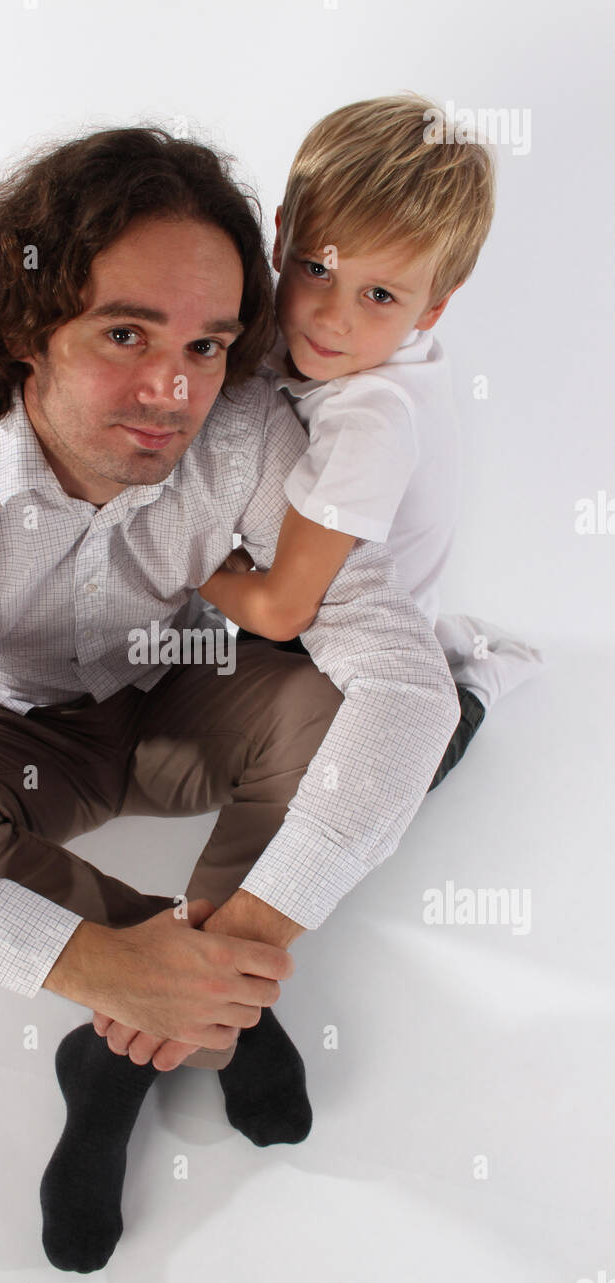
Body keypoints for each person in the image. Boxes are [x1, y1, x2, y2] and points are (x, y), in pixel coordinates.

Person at [0, 126, 460, 1274]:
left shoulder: (244, 432)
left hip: (181, 688)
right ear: (19, 328)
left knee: (353, 712)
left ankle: (161, 1024)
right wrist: (93, 960)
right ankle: (168, 998)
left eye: (207, 342)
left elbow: (401, 676)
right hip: (11, 730)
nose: (172, 390)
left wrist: (238, 938)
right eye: (124, 333)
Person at [196, 95, 544, 775]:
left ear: (435, 306)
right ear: (280, 236)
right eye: (317, 269)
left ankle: (471, 686)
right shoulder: (289, 324)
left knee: (357, 774)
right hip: (300, 584)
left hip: (358, 641)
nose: (332, 318)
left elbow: (281, 610)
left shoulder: (370, 422)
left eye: (379, 296)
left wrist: (191, 567)